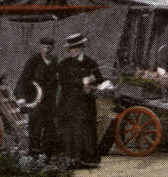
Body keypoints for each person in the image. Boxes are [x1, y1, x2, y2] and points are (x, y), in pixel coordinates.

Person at [56, 33, 103, 167]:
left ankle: (87, 159)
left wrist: (92, 82)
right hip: (68, 101)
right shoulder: (64, 63)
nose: (73, 51)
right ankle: (70, 159)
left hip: (85, 102)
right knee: (69, 129)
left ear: (81, 47)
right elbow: (63, 80)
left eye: (76, 48)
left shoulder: (90, 62)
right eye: (71, 48)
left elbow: (99, 78)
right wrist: (83, 80)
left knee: (86, 129)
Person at [15, 37, 59, 156]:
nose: (46, 50)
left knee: (50, 125)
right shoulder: (33, 60)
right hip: (35, 98)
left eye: (49, 48)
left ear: (53, 48)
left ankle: (47, 153)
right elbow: (24, 80)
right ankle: (34, 153)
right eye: (43, 47)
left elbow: (57, 79)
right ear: (40, 47)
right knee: (36, 125)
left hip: (50, 99)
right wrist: (22, 97)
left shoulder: (54, 60)